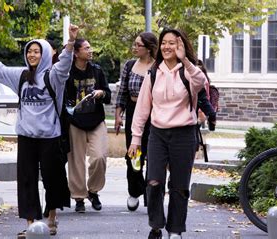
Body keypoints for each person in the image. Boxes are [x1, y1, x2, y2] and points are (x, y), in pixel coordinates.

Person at [0, 25, 79, 237]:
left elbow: (64, 64)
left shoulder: (54, 76)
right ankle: (30, 224)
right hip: (26, 136)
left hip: (50, 137)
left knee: (52, 179)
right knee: (26, 180)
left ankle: (52, 218)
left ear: (44, 54)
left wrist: (71, 43)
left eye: (37, 51)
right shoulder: (20, 75)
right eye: (29, 51)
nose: (32, 54)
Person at [128, 28, 206, 239]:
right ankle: (156, 226)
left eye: (172, 43)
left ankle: (175, 230)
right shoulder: (153, 73)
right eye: (164, 42)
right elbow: (142, 109)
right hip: (158, 135)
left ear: (180, 45)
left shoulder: (188, 71)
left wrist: (186, 62)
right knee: (153, 182)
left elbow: (201, 84)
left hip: (184, 134)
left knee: (179, 186)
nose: (167, 46)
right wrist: (136, 138)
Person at [65, 38, 111, 213]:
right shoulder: (68, 72)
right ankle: (78, 197)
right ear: (76, 53)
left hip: (96, 120)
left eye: (90, 47)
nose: (90, 51)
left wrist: (101, 92)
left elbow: (107, 94)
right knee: (76, 162)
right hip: (75, 122)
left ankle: (93, 191)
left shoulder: (97, 71)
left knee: (99, 156)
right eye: (86, 48)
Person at [115, 32, 157, 211]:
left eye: (138, 45)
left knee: (153, 154)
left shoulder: (158, 66)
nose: (134, 47)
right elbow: (122, 91)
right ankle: (135, 190)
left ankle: (151, 193)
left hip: (154, 114)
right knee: (134, 154)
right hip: (133, 112)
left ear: (148, 48)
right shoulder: (130, 65)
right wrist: (118, 115)